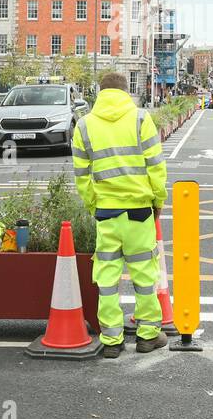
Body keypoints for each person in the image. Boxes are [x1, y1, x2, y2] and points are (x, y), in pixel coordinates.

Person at [72, 71, 169, 358]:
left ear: (100, 93)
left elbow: (81, 176)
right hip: (140, 212)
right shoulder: (141, 119)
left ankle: (112, 340)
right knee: (144, 275)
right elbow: (156, 166)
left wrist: (94, 205)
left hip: (107, 213)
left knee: (107, 278)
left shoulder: (85, 125)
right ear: (127, 92)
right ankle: (148, 336)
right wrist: (158, 200)